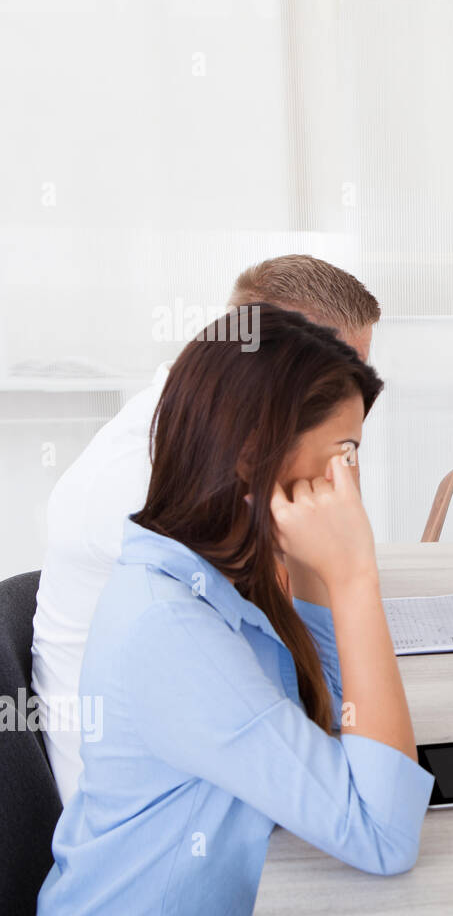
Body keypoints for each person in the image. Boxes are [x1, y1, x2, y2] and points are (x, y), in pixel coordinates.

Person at [37, 306, 432, 916]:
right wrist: (354, 576)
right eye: (344, 453)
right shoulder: (170, 629)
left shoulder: (215, 570)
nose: (348, 482)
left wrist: (315, 571)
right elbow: (383, 835)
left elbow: (329, 721)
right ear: (254, 454)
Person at [31, 255, 381, 805]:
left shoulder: (231, 442)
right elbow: (298, 684)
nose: (351, 400)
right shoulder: (151, 479)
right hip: (158, 804)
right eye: (334, 376)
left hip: (213, 749)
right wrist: (350, 576)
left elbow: (308, 675)